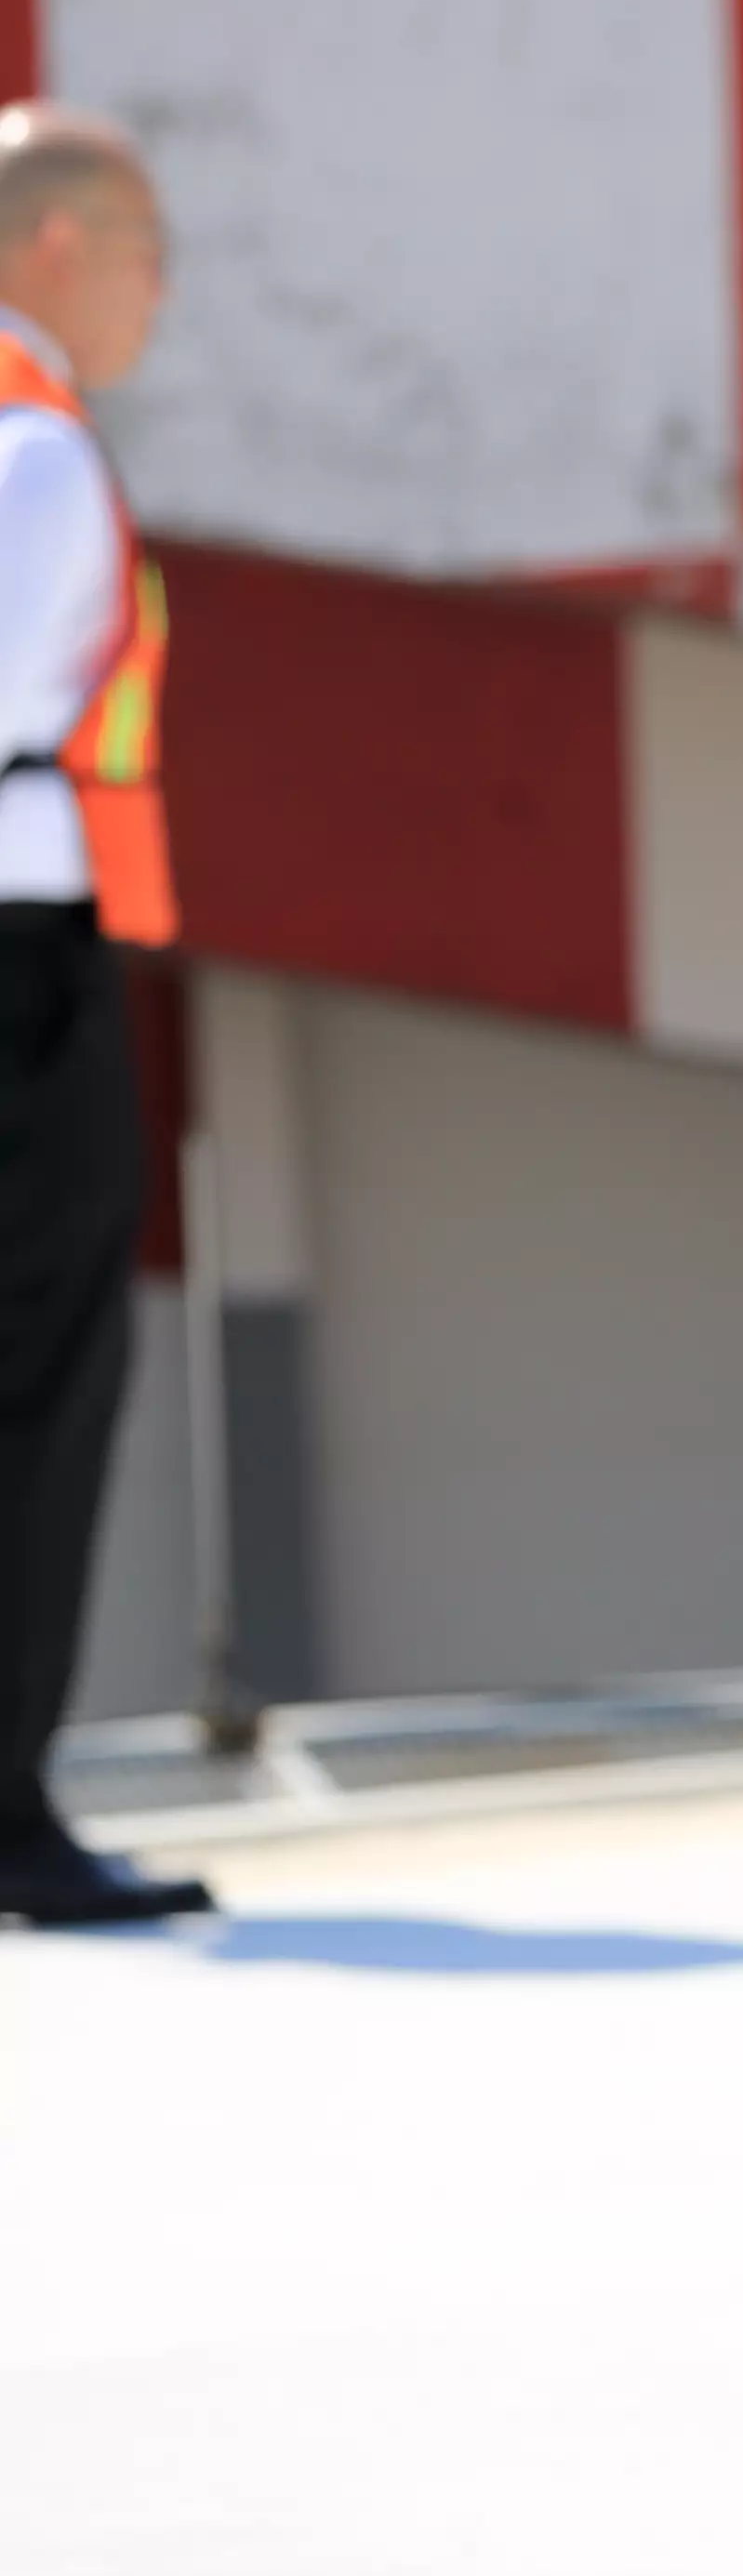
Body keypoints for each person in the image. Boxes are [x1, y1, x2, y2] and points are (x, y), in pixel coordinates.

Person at [0, 102, 213, 1929]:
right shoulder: (32, 442)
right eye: (147, 252)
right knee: (42, 1383)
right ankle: (5, 1812)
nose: (160, 294)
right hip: (17, 963)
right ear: (60, 247)